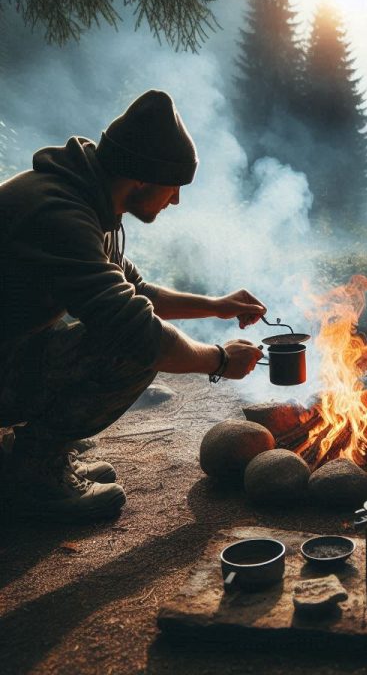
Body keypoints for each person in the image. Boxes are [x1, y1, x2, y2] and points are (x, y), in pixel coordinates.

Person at [0, 90, 266, 521]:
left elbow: (137, 290)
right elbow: (137, 332)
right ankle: (34, 473)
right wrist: (218, 361)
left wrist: (216, 306)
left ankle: (31, 454)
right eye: (174, 186)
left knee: (129, 332)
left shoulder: (87, 198)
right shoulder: (57, 213)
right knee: (131, 348)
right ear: (141, 177)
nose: (176, 199)